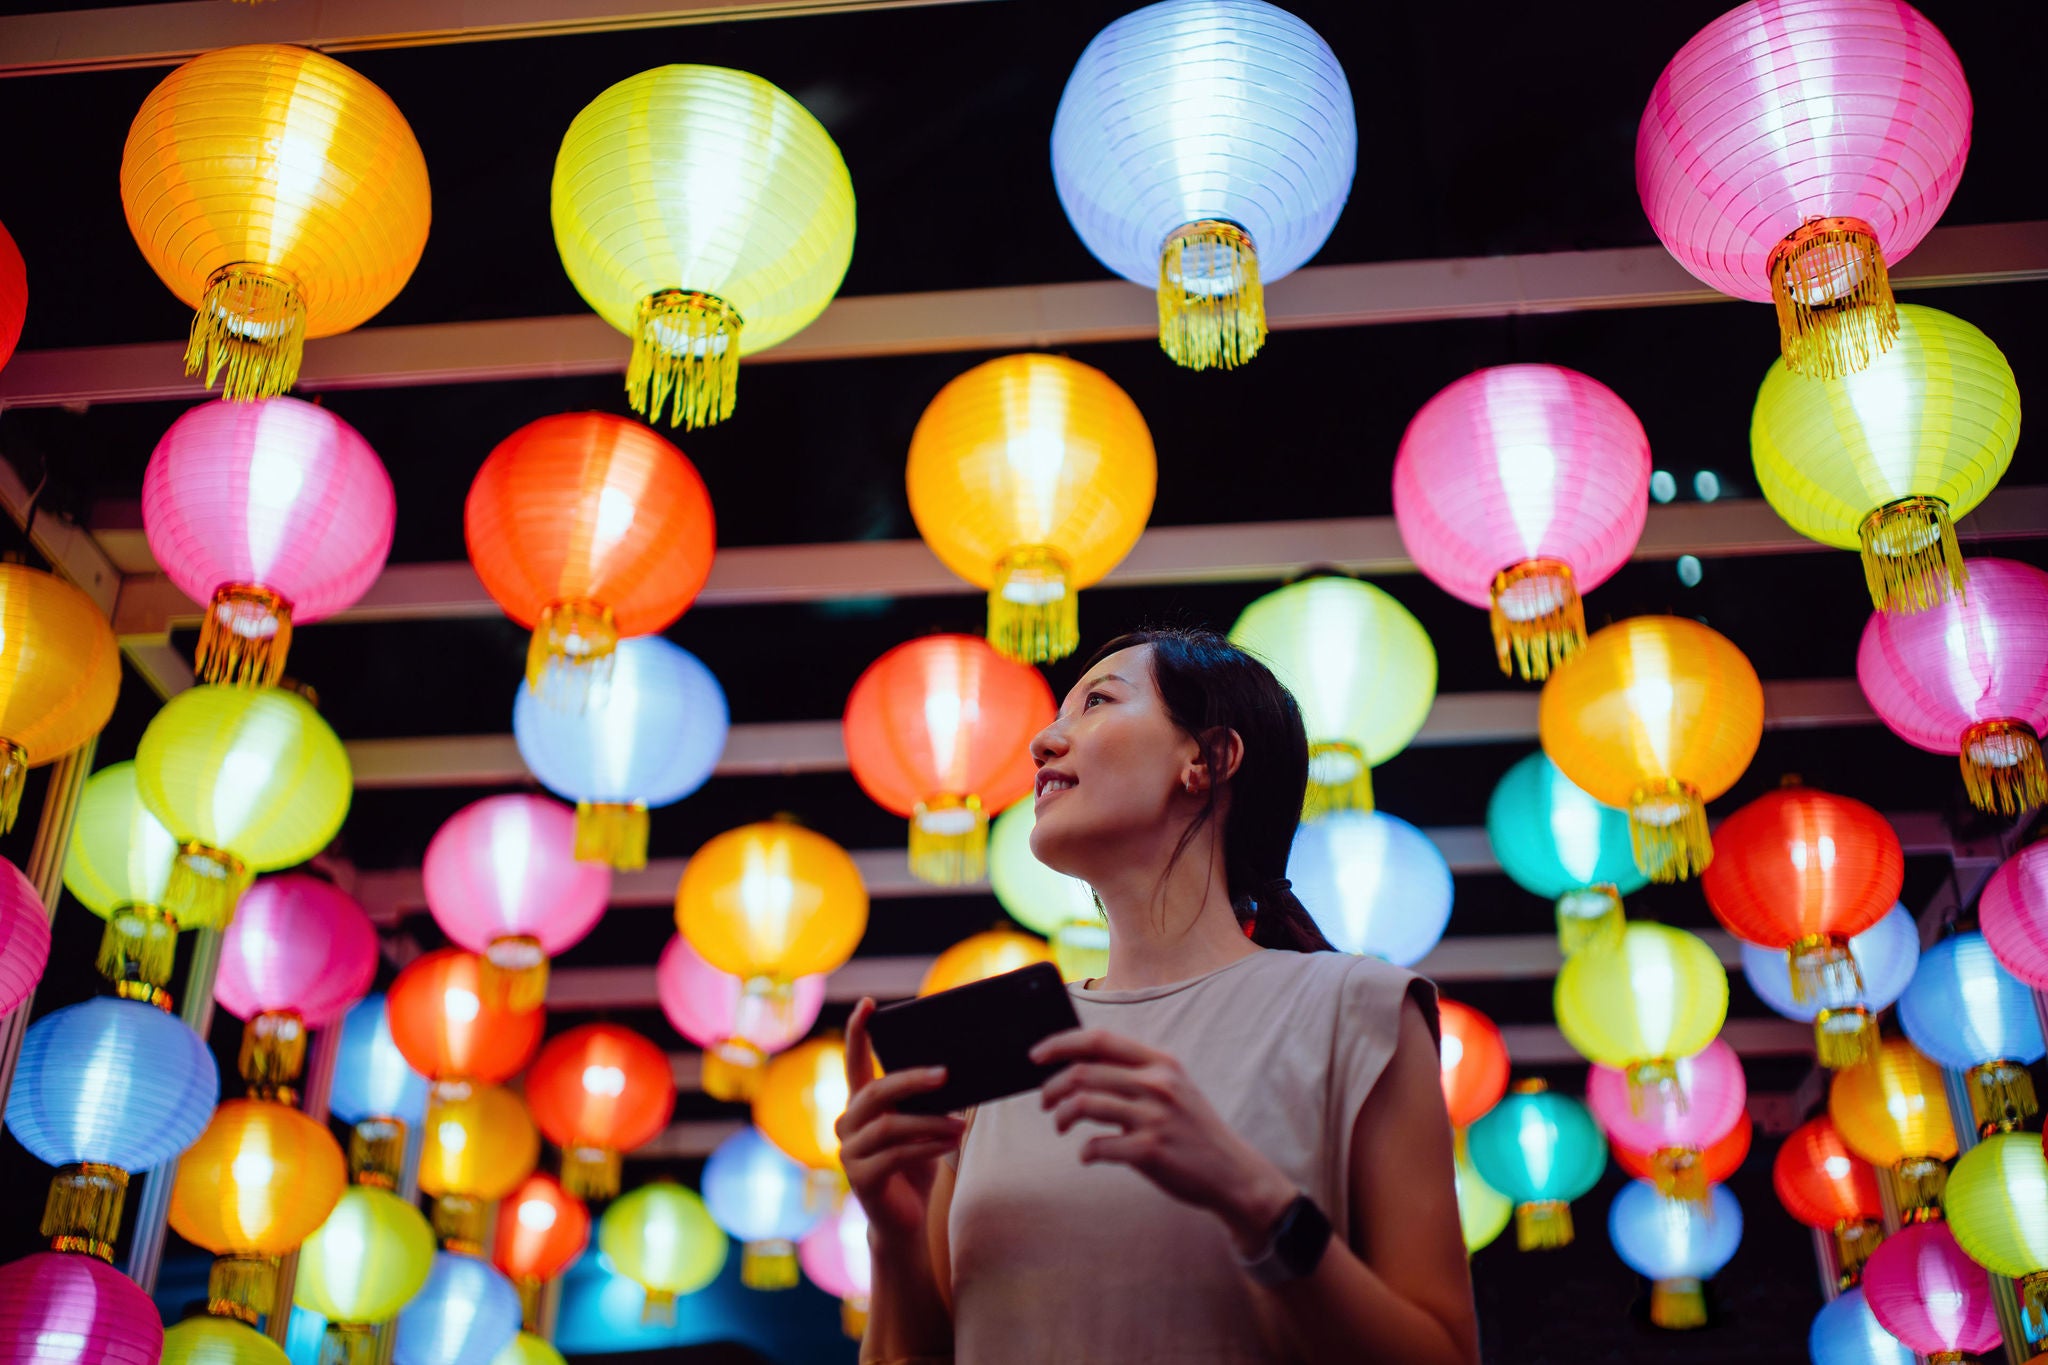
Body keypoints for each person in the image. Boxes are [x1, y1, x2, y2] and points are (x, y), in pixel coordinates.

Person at [837, 627, 1479, 1365]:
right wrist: (894, 1234)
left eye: (1097, 702)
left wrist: (1252, 1199)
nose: (1044, 740)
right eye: (1058, 716)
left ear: (1207, 759)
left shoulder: (1354, 1007)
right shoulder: (1001, 1046)